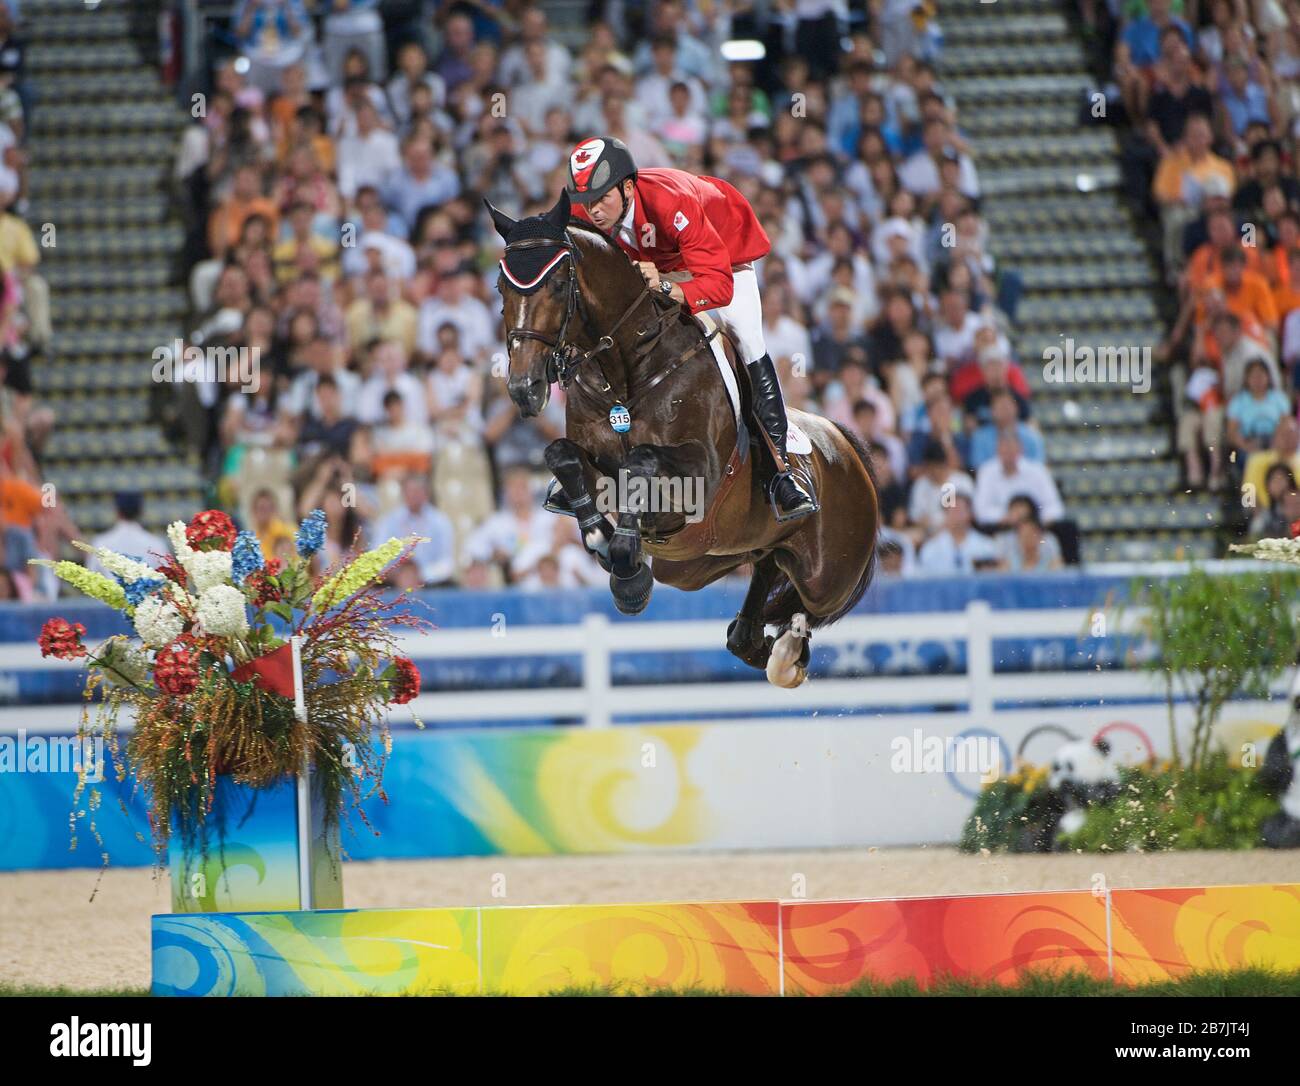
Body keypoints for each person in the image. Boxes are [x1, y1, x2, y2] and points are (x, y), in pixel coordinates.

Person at [565, 135, 817, 522]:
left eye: (602, 199)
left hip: (722, 260)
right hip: (653, 265)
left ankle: (781, 472)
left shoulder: (671, 203)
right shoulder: (586, 217)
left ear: (628, 186)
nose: (594, 211)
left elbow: (718, 285)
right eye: (587, 202)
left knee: (747, 340)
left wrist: (666, 286)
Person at [86, 492, 167, 575]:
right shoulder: (156, 543)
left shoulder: (100, 542)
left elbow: (92, 574)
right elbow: (166, 577)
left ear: (117, 511)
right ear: (141, 512)